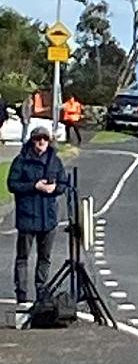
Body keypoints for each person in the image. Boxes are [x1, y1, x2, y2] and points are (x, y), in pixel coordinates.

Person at [6, 127, 67, 306]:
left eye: (45, 139)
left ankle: (41, 292)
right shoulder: (21, 161)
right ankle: (22, 295)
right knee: (23, 257)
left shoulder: (54, 161)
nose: (42, 142)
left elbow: (63, 183)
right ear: (32, 141)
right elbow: (12, 184)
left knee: (45, 258)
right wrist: (34, 186)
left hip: (48, 218)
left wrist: (55, 188)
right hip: (27, 216)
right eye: (38, 139)